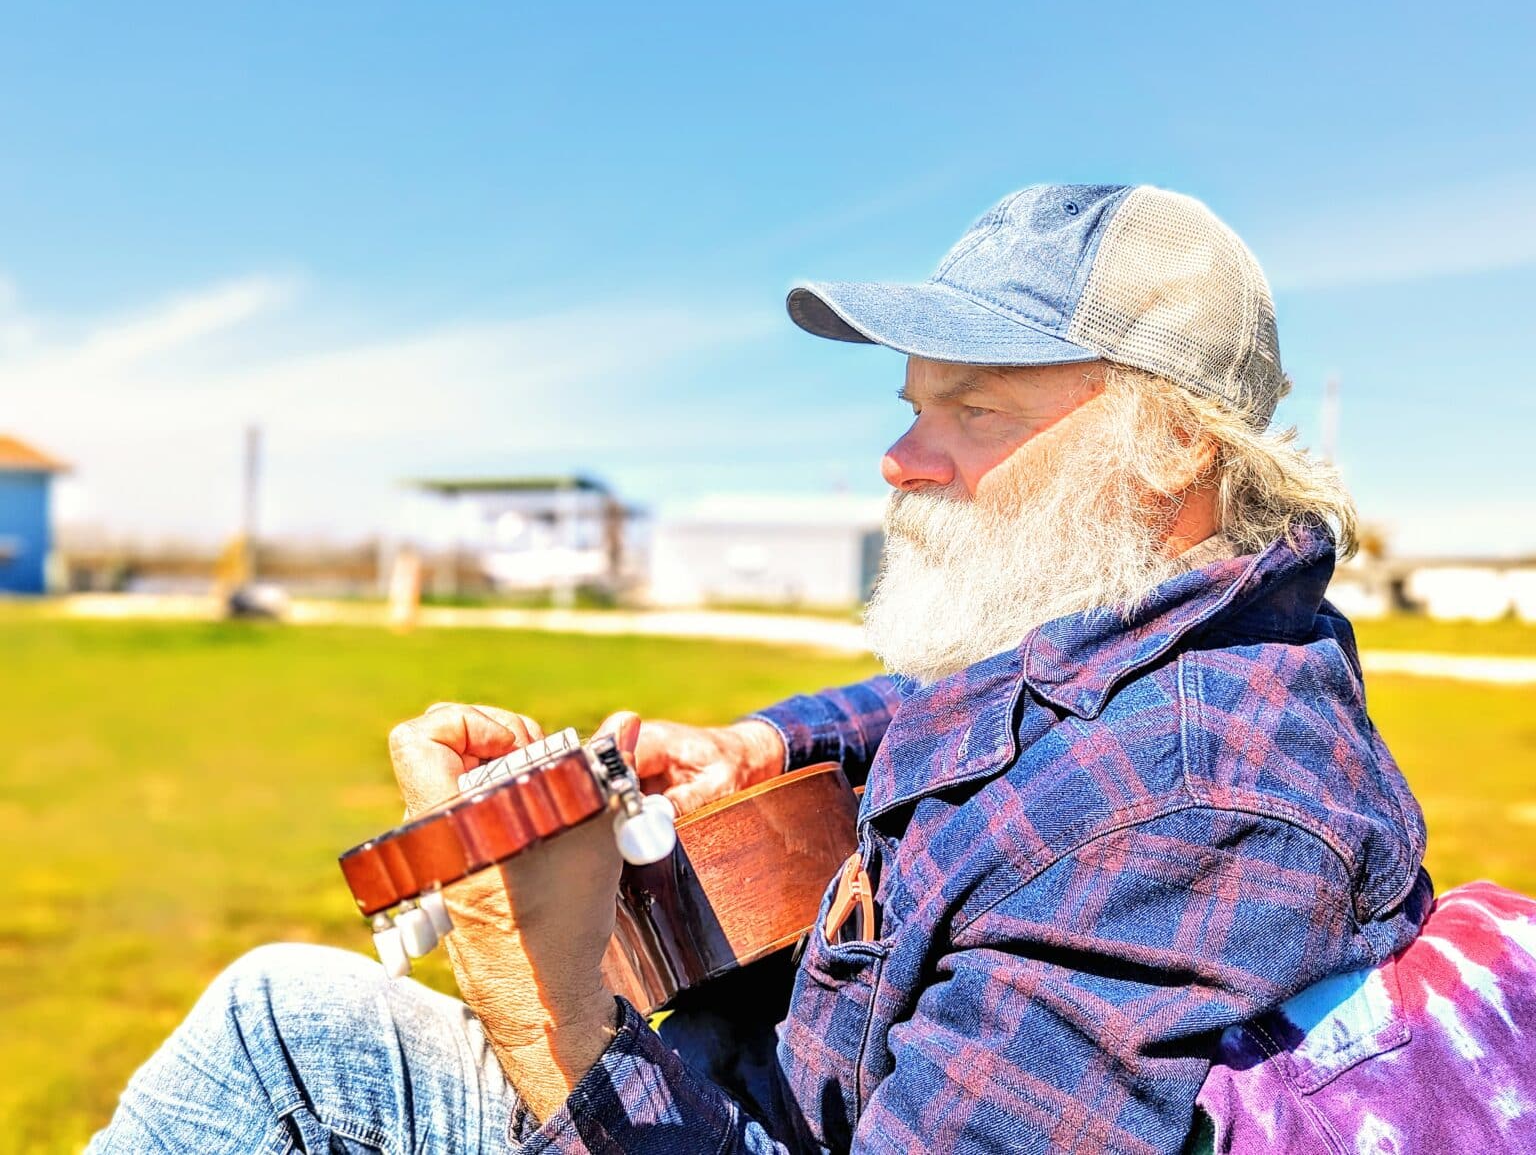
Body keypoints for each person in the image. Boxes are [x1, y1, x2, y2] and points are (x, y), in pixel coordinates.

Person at [87, 185, 1536, 1154]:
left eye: (971, 407)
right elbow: (950, 707)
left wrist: (544, 997)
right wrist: (763, 752)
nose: (900, 458)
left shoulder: (1183, 811)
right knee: (286, 1008)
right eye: (912, 404)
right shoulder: (1170, 630)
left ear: (1171, 446)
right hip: (756, 1079)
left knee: (286, 1033)